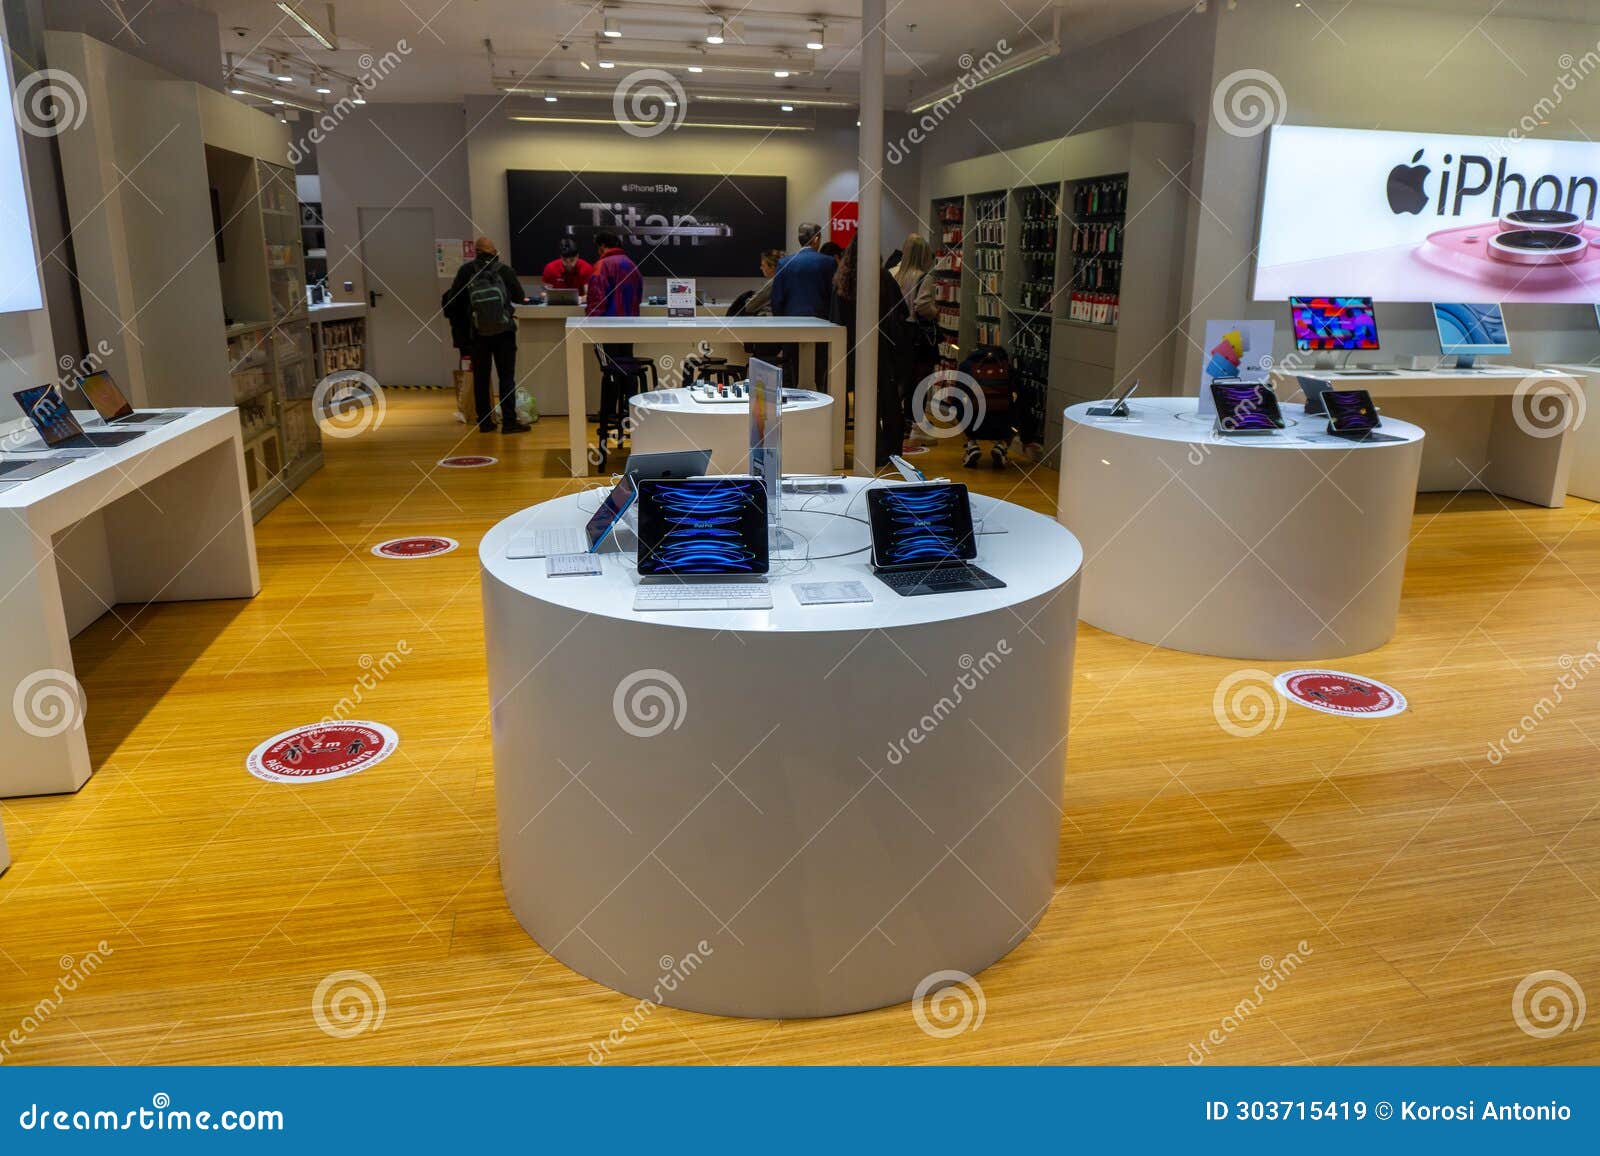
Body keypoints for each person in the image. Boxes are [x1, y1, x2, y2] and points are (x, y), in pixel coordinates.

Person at [832, 234, 910, 469]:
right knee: (889, 399)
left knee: (864, 401)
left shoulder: (842, 281)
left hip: (852, 348)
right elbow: (902, 314)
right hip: (883, 346)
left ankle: (870, 448)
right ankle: (892, 452)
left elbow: (836, 319)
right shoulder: (883, 278)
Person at [442, 235, 531, 434]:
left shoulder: (466, 271)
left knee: (482, 377)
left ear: (476, 252)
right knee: (506, 377)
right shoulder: (505, 271)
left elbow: (452, 302)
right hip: (505, 333)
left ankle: (485, 422)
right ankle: (509, 422)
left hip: (478, 334)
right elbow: (518, 296)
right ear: (495, 253)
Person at [771, 222, 836, 390]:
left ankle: (789, 409)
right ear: (815, 239)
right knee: (820, 370)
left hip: (790, 326)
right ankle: (820, 407)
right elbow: (833, 297)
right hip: (821, 326)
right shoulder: (828, 263)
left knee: (790, 370)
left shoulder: (784, 263)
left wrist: (780, 326)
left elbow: (777, 300)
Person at [888, 233, 938, 449]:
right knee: (921, 379)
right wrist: (936, 313)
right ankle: (916, 426)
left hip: (895, 333)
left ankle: (899, 423)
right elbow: (922, 306)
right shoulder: (924, 277)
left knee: (900, 379)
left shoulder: (893, 273)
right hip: (917, 335)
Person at [744, 249, 784, 317]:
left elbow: (749, 306)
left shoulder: (773, 283)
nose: (761, 268)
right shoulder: (786, 279)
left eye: (763, 265)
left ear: (772, 267)